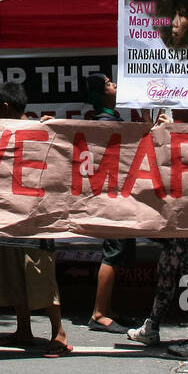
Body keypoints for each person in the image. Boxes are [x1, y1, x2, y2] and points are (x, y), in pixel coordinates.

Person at [0, 82, 69, 355]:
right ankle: (24, 330)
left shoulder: (44, 131)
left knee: (41, 276)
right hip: (6, 214)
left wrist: (56, 128)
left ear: (4, 106)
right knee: (12, 274)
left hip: (36, 217)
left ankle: (59, 332)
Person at [128, 110, 188, 356]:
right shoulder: (179, 127)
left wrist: (175, 131)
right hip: (177, 213)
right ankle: (152, 326)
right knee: (167, 269)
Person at [82, 72, 133, 333]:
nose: (115, 85)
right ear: (103, 93)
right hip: (113, 197)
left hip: (118, 195)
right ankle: (99, 313)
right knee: (113, 252)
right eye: (110, 84)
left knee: (119, 251)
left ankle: (108, 309)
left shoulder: (108, 119)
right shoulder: (104, 123)